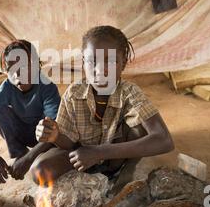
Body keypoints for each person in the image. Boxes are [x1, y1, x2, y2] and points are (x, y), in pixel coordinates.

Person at [32, 25, 174, 190]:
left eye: (111, 61)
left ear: (123, 63)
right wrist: (55, 136)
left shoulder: (129, 92)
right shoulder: (74, 93)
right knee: (39, 171)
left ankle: (126, 170)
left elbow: (164, 140)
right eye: (93, 61)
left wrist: (100, 152)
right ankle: (94, 177)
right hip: (83, 156)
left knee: (140, 127)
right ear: (83, 62)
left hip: (116, 158)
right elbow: (69, 144)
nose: (100, 70)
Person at [0, 39, 60, 184]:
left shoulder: (47, 87)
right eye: (11, 69)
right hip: (24, 133)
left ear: (36, 66)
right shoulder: (7, 87)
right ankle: (20, 152)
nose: (17, 74)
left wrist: (30, 158)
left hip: (44, 139)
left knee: (52, 128)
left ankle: (31, 156)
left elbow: (56, 129)